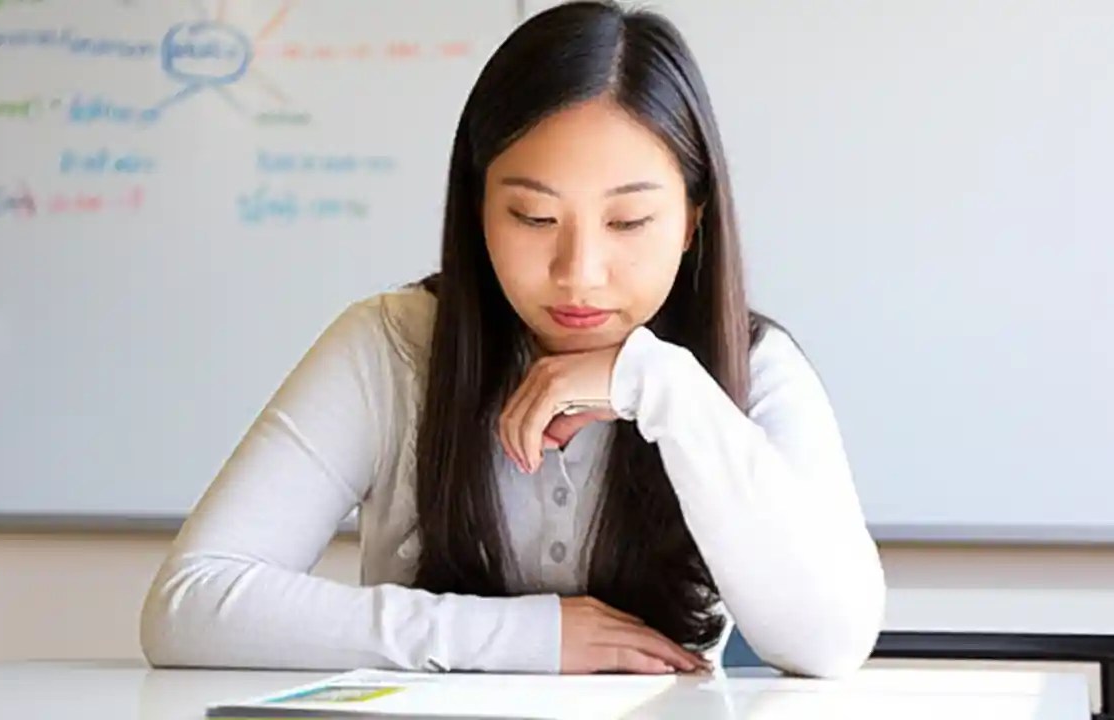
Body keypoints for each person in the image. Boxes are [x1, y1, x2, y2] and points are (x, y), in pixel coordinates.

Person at [139, 0, 885, 677]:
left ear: (693, 219)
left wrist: (660, 387)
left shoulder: (749, 368)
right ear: (478, 209)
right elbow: (190, 604)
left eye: (628, 222)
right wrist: (528, 637)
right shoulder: (391, 346)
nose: (578, 273)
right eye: (532, 218)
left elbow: (829, 643)